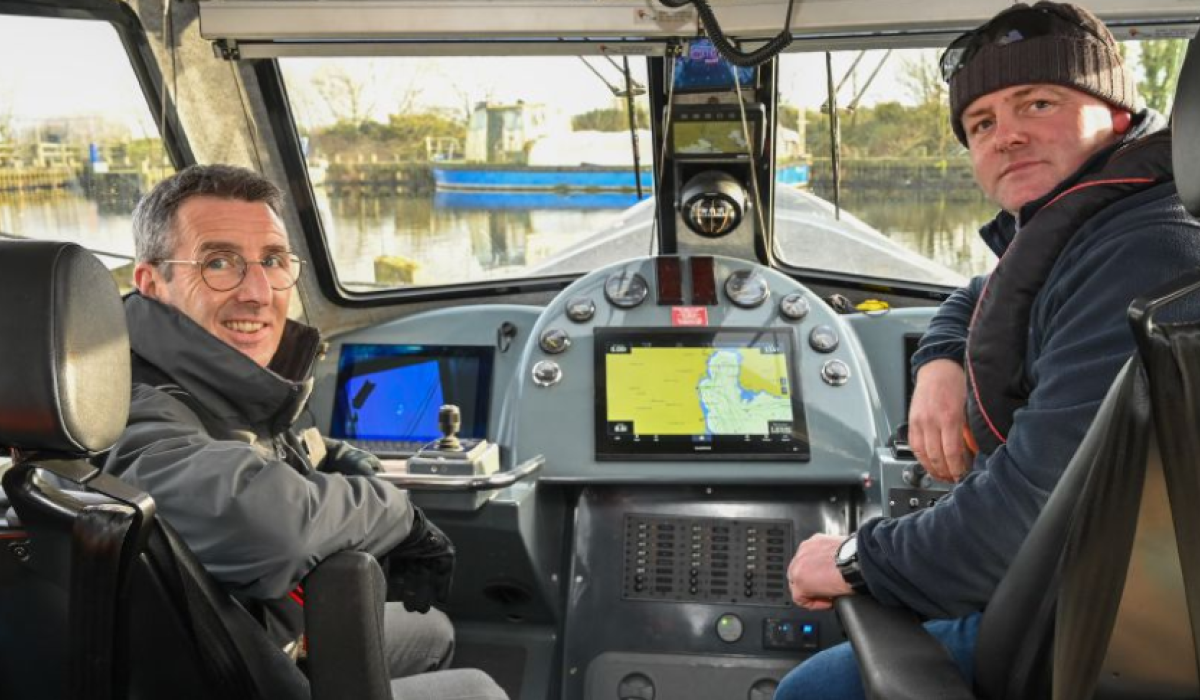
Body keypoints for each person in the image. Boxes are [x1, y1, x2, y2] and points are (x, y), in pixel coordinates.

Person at [777, 3, 1200, 697]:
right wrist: (940, 360)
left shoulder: (1150, 253)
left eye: (1037, 102)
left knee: (812, 689)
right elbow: (986, 288)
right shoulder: (1108, 220)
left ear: (1119, 114)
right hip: (1124, 586)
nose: (1007, 136)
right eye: (983, 124)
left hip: (1103, 623)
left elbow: (1030, 514)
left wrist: (854, 558)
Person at [100, 164, 507, 700]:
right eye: (218, 263)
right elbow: (264, 524)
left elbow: (257, 445)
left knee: (432, 630)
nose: (258, 291)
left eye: (272, 261)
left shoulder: (207, 382)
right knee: (478, 691)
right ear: (153, 283)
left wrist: (339, 457)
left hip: (240, 641)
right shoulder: (127, 405)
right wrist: (397, 514)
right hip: (226, 673)